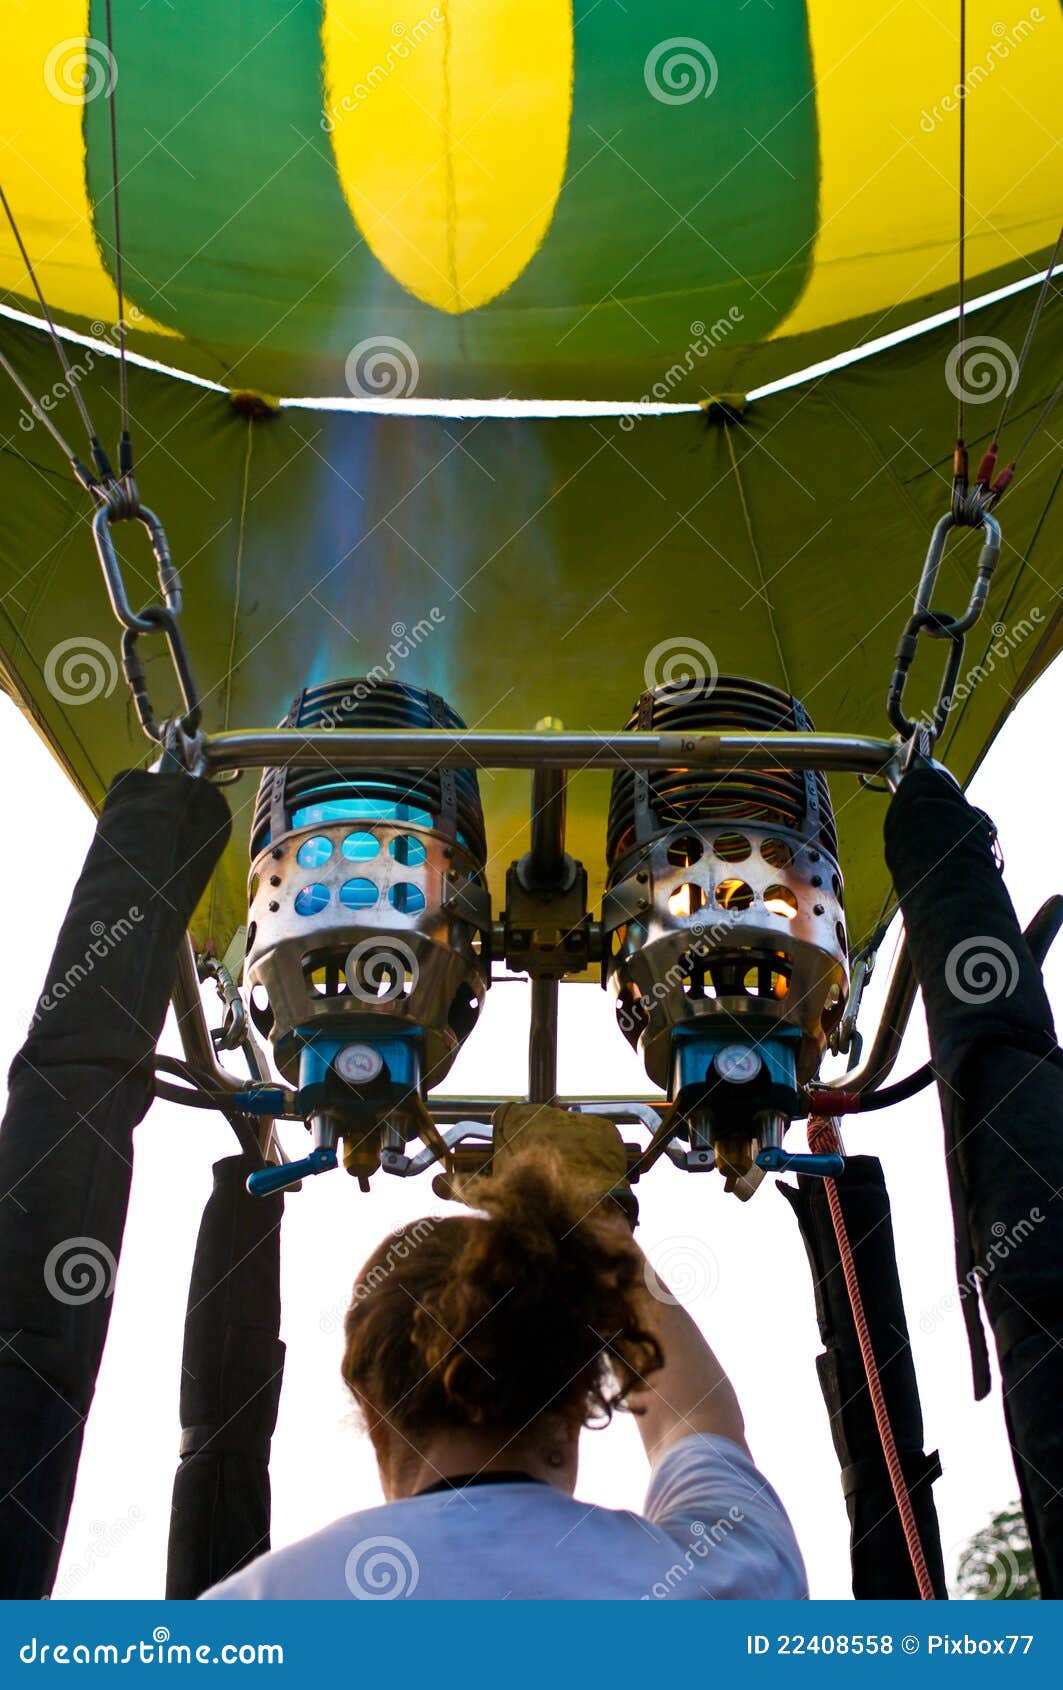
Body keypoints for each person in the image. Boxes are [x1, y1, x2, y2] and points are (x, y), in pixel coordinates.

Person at [202, 1149, 806, 1600]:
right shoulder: (726, 1579)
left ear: (370, 1407)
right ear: (580, 1397)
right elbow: (693, 1420)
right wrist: (602, 1229)